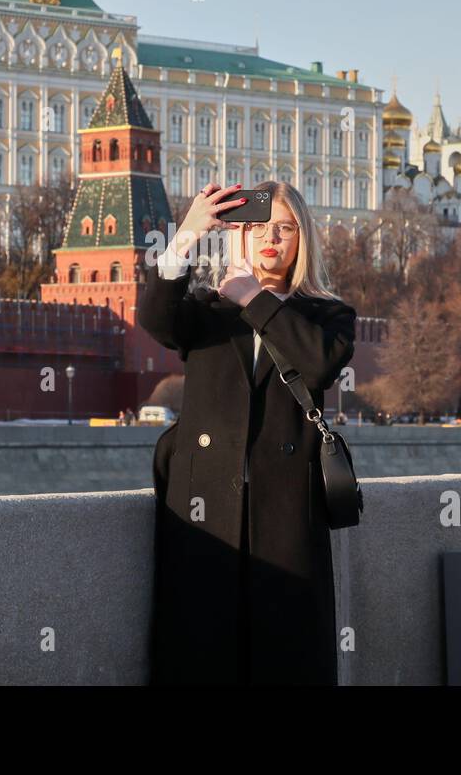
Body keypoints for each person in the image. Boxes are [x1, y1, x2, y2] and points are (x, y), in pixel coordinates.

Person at [139, 180, 356, 685]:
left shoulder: (327, 315)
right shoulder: (208, 313)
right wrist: (186, 237)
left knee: (287, 656)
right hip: (203, 511)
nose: (270, 239)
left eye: (284, 227)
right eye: (258, 227)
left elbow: (318, 364)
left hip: (285, 517)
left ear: (303, 239)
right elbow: (155, 319)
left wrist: (254, 297)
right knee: (198, 654)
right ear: (238, 235)